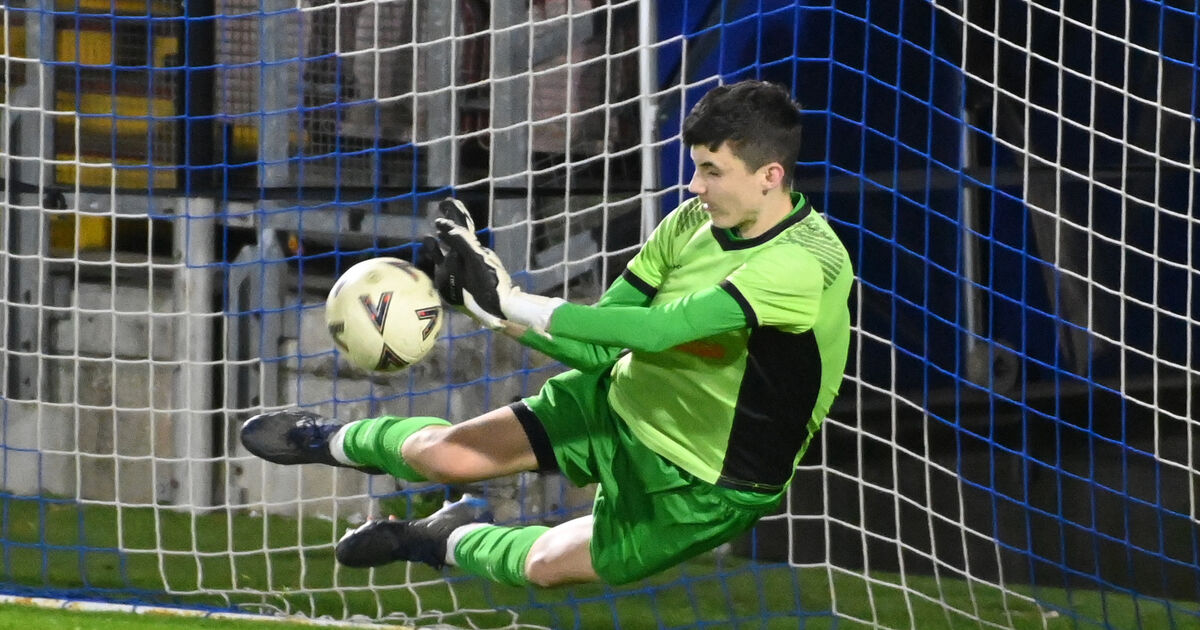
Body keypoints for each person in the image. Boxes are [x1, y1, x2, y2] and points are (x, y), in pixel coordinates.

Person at [240, 79, 853, 588]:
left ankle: (440, 539)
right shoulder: (690, 221)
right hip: (623, 402)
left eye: (712, 172)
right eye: (695, 168)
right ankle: (326, 437)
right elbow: (600, 344)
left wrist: (512, 299)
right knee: (448, 454)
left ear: (770, 174)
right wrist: (493, 312)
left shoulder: (803, 263)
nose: (695, 187)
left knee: (541, 565)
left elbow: (665, 330)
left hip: (709, 480)